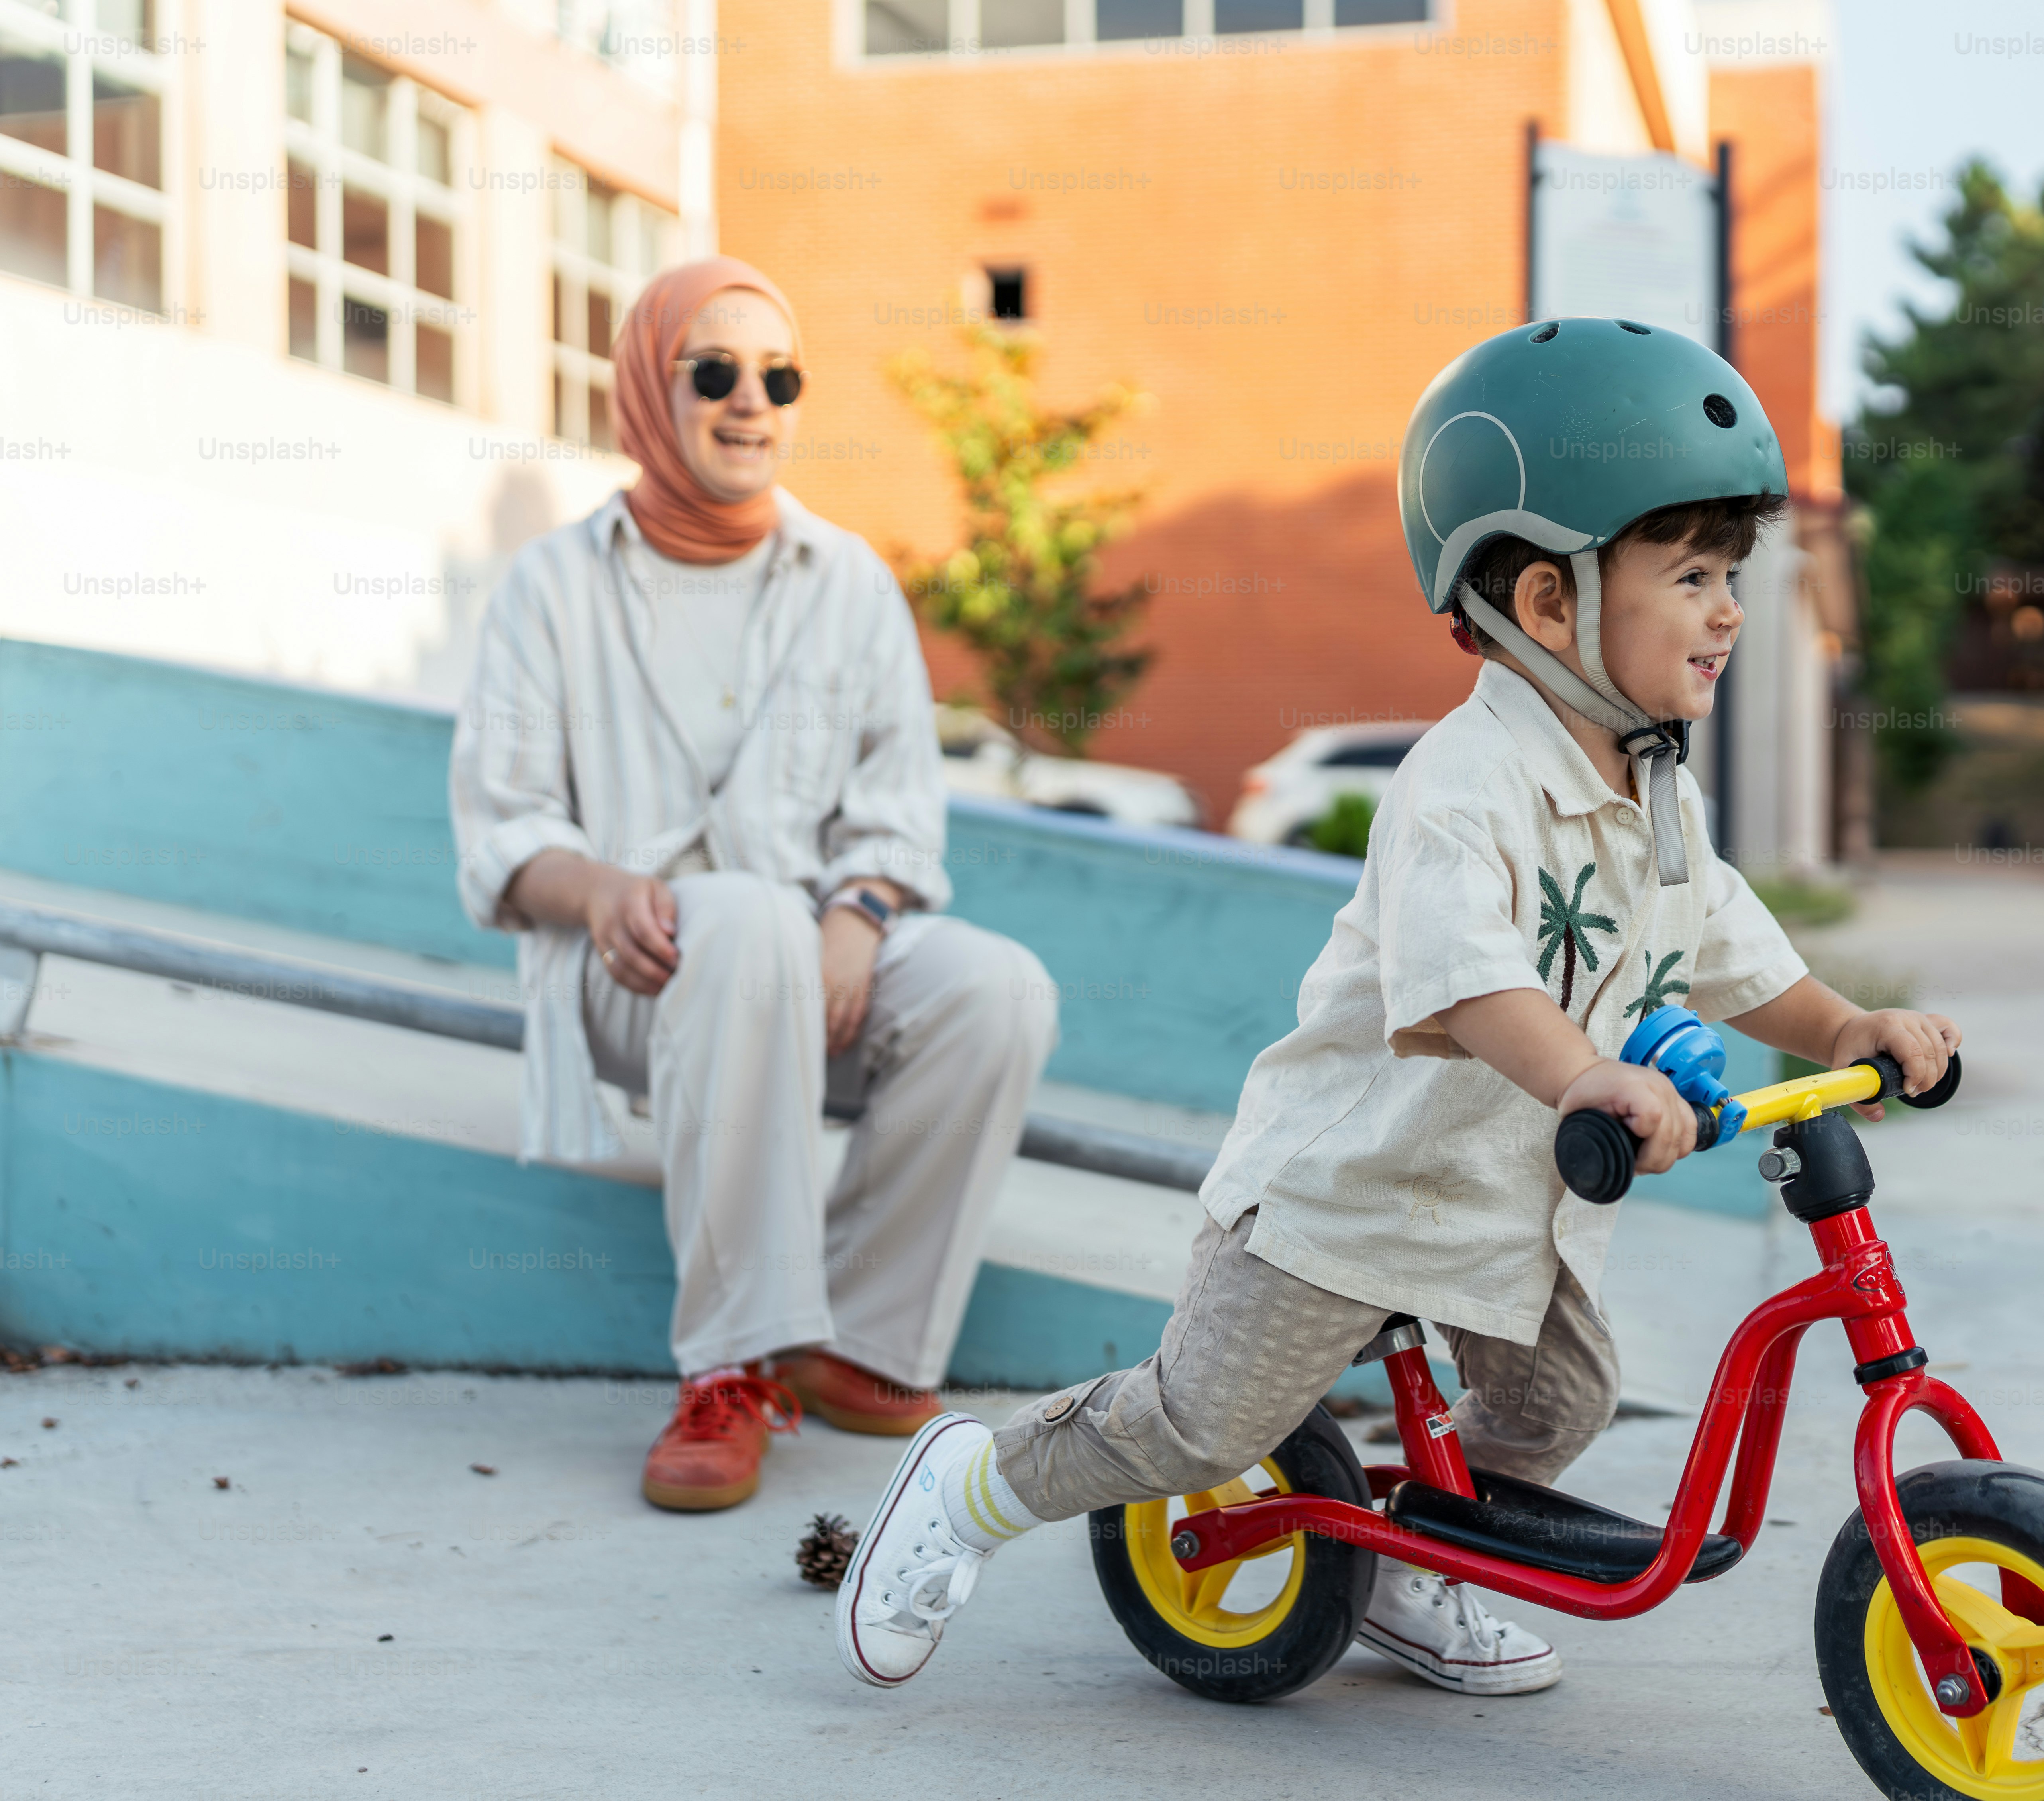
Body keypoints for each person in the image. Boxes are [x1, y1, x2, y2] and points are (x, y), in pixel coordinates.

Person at [829, 319, 1962, 1696]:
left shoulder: (1656, 787)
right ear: (1548, 605)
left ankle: (1417, 1570)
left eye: (1730, 574)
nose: (1728, 608)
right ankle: (976, 1486)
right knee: (1201, 1427)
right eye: (1690, 575)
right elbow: (1471, 976)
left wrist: (1844, 1029)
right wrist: (1584, 1079)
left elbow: (1728, 945)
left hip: (1501, 1199)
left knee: (1559, 1401)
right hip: (1344, 1199)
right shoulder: (1462, 784)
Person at [450, 256, 1057, 1513]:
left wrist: (860, 918)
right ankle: (727, 1370)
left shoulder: (849, 584)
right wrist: (601, 890)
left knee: (995, 988)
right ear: (644, 391)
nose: (750, 402)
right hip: (639, 980)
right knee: (738, 920)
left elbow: (898, 812)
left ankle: (857, 1346)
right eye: (713, 372)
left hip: (814, 968)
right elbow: (501, 832)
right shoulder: (552, 588)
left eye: (778, 375)